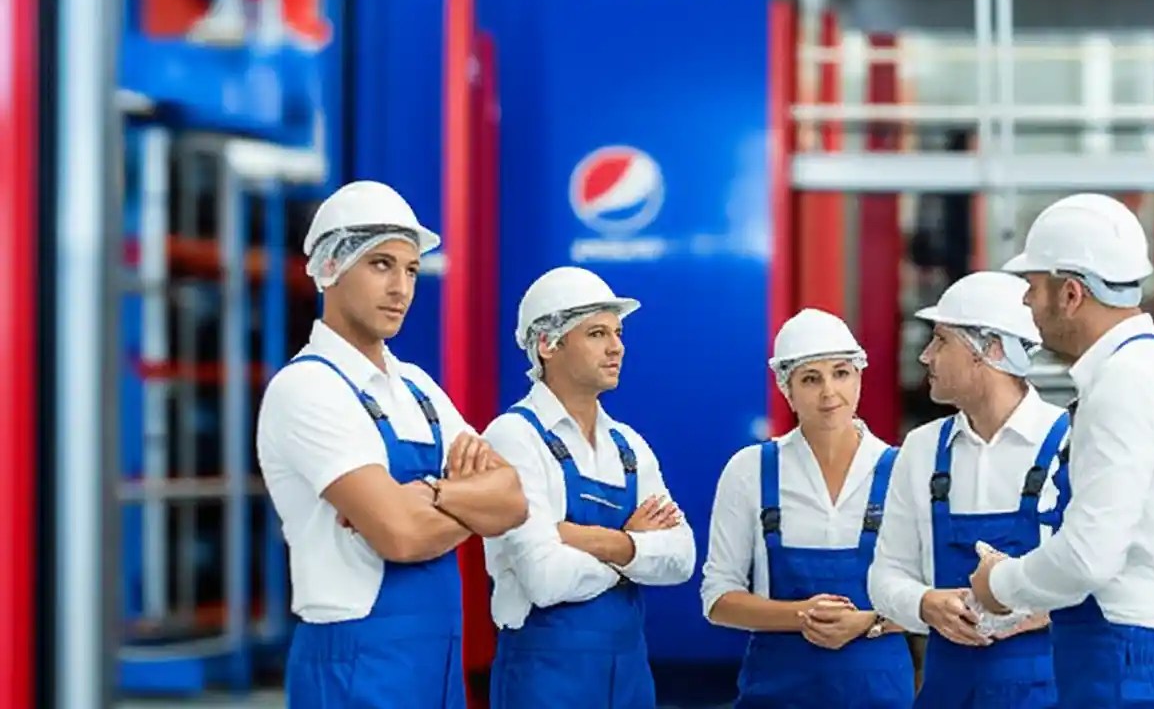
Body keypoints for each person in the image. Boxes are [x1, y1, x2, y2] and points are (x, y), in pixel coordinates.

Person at [256, 180, 529, 708]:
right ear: (330, 269)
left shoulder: (419, 389)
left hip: (439, 663)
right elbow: (401, 537)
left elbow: (515, 500)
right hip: (354, 666)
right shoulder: (308, 388)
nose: (402, 287)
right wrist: (464, 497)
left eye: (409, 269)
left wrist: (425, 494)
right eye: (381, 265)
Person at [968, 193, 1154, 708]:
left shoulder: (1122, 385)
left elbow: (1090, 556)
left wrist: (1000, 584)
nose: (1024, 302)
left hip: (1124, 670)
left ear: (1070, 294)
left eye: (1032, 287)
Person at [482, 266, 696, 709]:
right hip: (545, 680)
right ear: (547, 343)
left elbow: (682, 559)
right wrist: (633, 548)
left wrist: (579, 538)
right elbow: (543, 579)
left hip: (630, 676)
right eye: (597, 333)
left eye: (617, 333)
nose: (616, 347)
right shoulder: (513, 437)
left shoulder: (629, 447)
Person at [867, 271, 1068, 708]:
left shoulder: (1070, 444)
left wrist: (1044, 610)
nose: (925, 356)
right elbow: (884, 576)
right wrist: (924, 603)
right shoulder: (921, 450)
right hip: (947, 691)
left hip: (1052, 690)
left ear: (990, 350)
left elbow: (1107, 570)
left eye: (941, 340)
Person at [701, 308, 915, 709]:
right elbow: (718, 599)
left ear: (860, 376)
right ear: (787, 388)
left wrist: (868, 622)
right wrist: (802, 614)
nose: (829, 392)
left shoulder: (905, 470)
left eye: (841, 372)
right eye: (810, 379)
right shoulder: (750, 470)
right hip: (776, 694)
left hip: (881, 695)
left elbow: (938, 595)